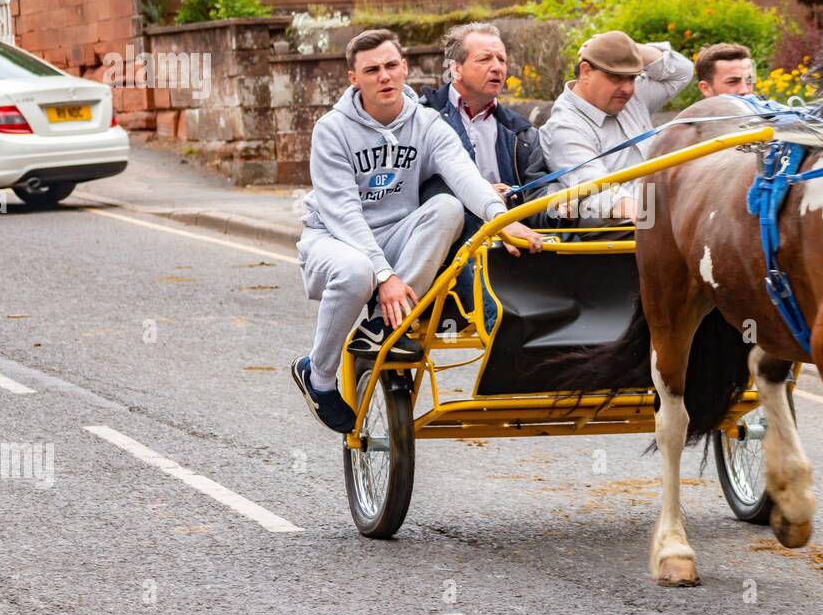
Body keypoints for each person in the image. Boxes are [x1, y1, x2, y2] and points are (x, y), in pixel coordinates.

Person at [292, 29, 542, 434]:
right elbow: (342, 213)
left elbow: (465, 176)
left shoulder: (424, 123)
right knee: (358, 271)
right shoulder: (332, 130)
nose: (384, 77)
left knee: (447, 207)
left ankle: (387, 327)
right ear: (354, 79)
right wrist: (384, 276)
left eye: (392, 66)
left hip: (398, 234)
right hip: (333, 240)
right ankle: (317, 376)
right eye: (371, 70)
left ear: (405, 68)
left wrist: (502, 221)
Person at [418, 22, 549, 310]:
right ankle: (503, 327)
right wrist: (482, 194)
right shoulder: (423, 119)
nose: (497, 67)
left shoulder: (522, 132)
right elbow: (415, 188)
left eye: (501, 59)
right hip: (452, 242)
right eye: (485, 59)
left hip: (511, 240)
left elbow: (537, 191)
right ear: (456, 69)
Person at [540, 31, 693, 221]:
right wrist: (659, 220)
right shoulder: (564, 128)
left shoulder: (631, 97)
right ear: (586, 71)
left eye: (632, 78)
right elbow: (599, 192)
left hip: (669, 217)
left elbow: (682, 71)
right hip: (628, 234)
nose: (627, 89)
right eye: (616, 77)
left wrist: (627, 48)